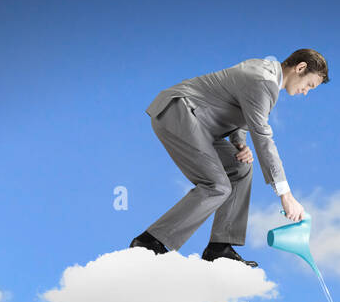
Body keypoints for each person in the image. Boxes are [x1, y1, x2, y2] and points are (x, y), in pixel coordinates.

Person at [130, 49, 329, 267]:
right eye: (310, 85)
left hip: (200, 124)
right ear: (300, 68)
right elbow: (264, 139)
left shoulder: (266, 77)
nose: (306, 92)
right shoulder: (264, 81)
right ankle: (150, 241)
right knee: (217, 185)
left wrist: (239, 143)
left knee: (240, 167)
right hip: (179, 111)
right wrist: (286, 195)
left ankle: (220, 247)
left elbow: (238, 111)